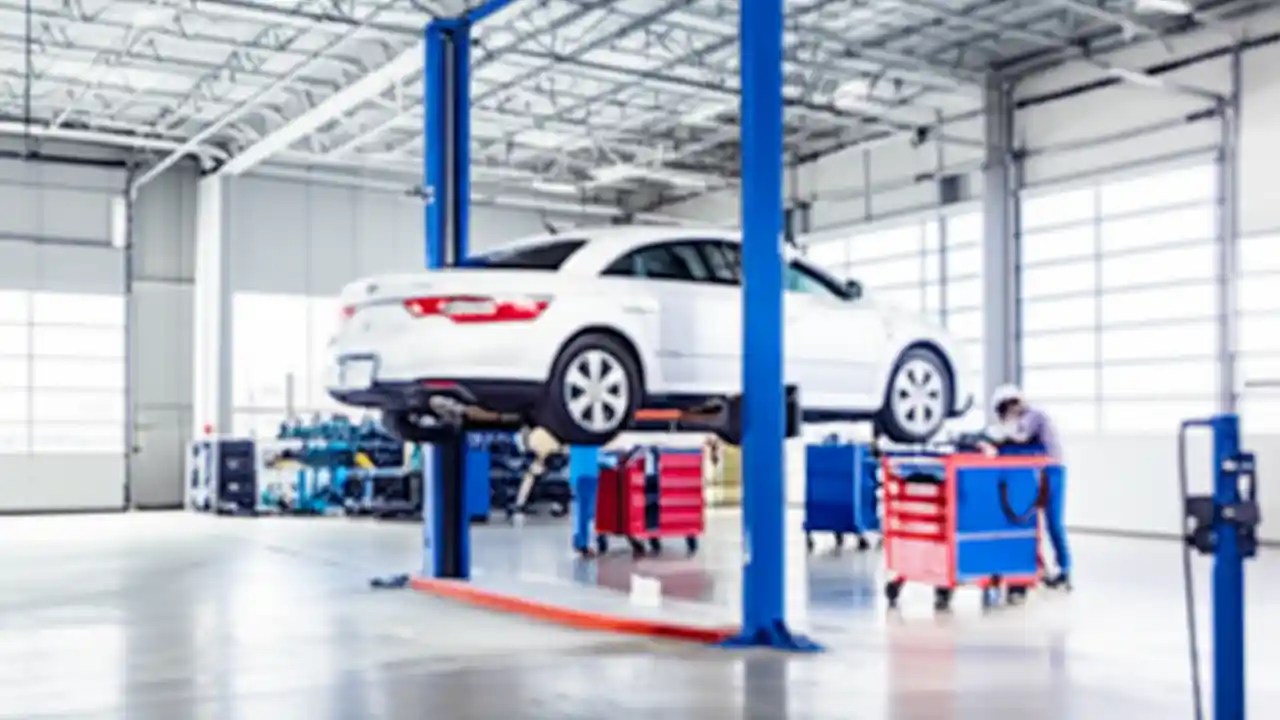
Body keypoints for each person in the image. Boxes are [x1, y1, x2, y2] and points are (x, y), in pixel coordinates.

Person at [977, 384, 1072, 590]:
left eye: (1010, 404)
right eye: (1004, 408)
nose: (1009, 410)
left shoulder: (1033, 416)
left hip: (1051, 473)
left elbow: (1019, 435)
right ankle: (1039, 568)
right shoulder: (1022, 420)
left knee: (1053, 523)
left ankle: (1065, 571)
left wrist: (993, 436)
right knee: (1028, 524)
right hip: (1036, 473)